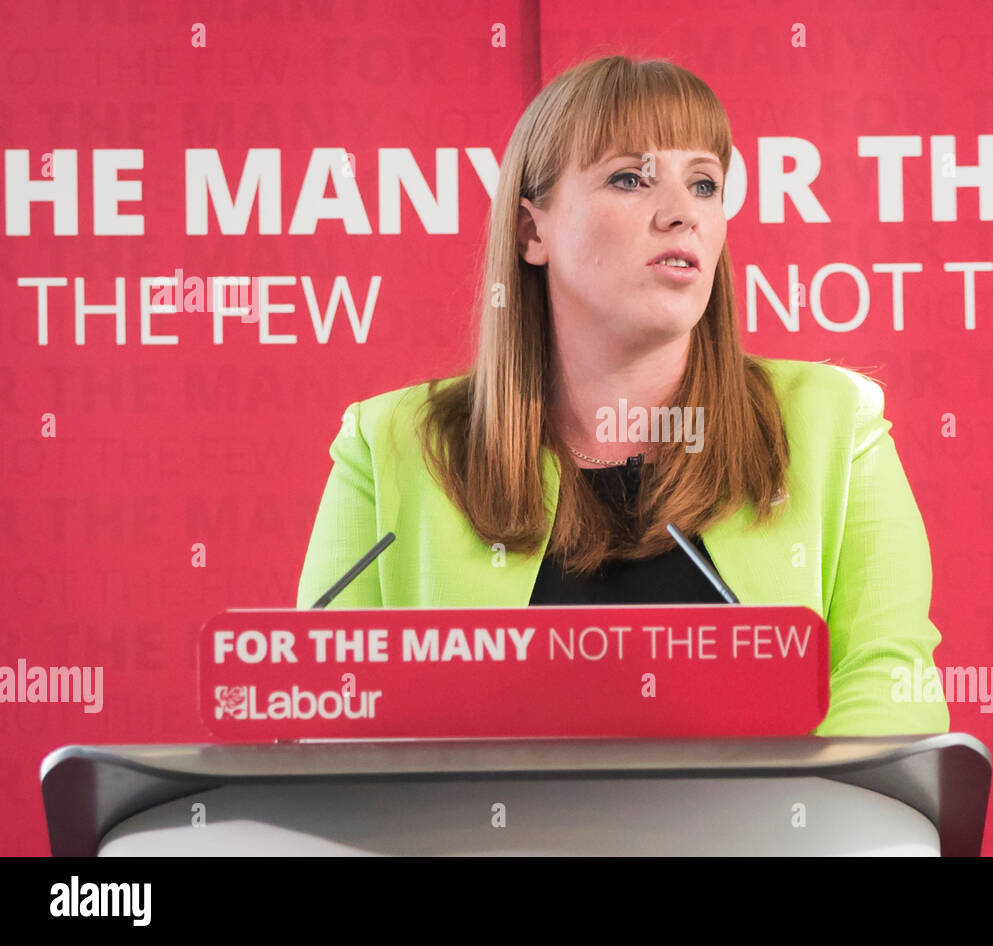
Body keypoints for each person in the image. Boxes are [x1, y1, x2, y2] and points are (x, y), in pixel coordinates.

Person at [297, 54, 949, 737]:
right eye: (631, 179)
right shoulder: (391, 443)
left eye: (704, 184)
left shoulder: (835, 425)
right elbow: (328, 722)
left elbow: (890, 693)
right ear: (532, 232)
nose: (681, 215)